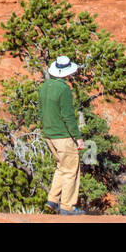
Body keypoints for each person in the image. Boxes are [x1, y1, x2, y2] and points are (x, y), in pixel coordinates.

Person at [39, 55, 83, 215]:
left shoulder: (44, 86)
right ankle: (67, 207)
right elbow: (68, 116)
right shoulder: (64, 89)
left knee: (61, 167)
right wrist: (78, 137)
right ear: (67, 72)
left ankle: (52, 200)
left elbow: (41, 111)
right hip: (63, 136)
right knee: (71, 170)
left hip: (49, 135)